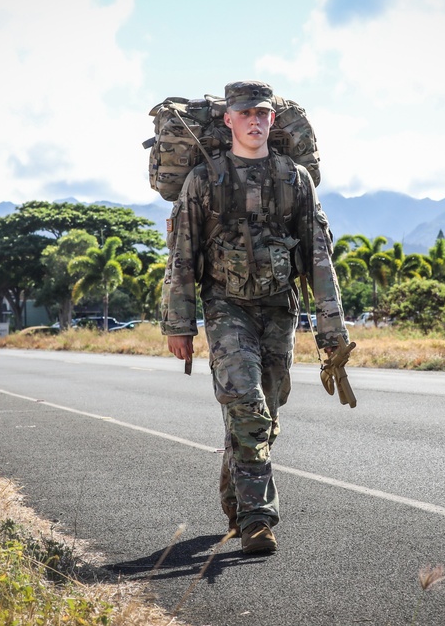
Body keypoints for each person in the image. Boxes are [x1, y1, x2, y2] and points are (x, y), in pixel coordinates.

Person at [160, 80, 349, 555]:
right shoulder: (204, 180)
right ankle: (257, 519)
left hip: (279, 309)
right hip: (226, 307)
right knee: (246, 403)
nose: (254, 121)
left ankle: (236, 495)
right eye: (244, 114)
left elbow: (318, 257)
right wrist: (178, 324)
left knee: (266, 409)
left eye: (261, 113)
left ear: (271, 119)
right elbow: (182, 254)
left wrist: (332, 332)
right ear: (228, 119)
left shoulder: (293, 179)